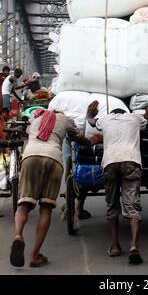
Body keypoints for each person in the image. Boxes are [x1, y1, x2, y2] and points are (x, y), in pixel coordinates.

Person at [9, 109, 98, 268]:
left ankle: (18, 235)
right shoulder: (67, 120)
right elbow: (78, 138)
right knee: (46, 208)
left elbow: (28, 132)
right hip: (53, 158)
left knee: (23, 205)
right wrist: (91, 141)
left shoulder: (35, 119)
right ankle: (35, 256)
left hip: (30, 156)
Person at [87, 102, 148, 265]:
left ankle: (115, 245)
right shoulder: (134, 118)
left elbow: (91, 122)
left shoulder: (105, 119)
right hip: (131, 160)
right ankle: (134, 245)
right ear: (125, 113)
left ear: (113, 114)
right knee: (132, 204)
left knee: (112, 204)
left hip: (110, 161)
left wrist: (89, 113)